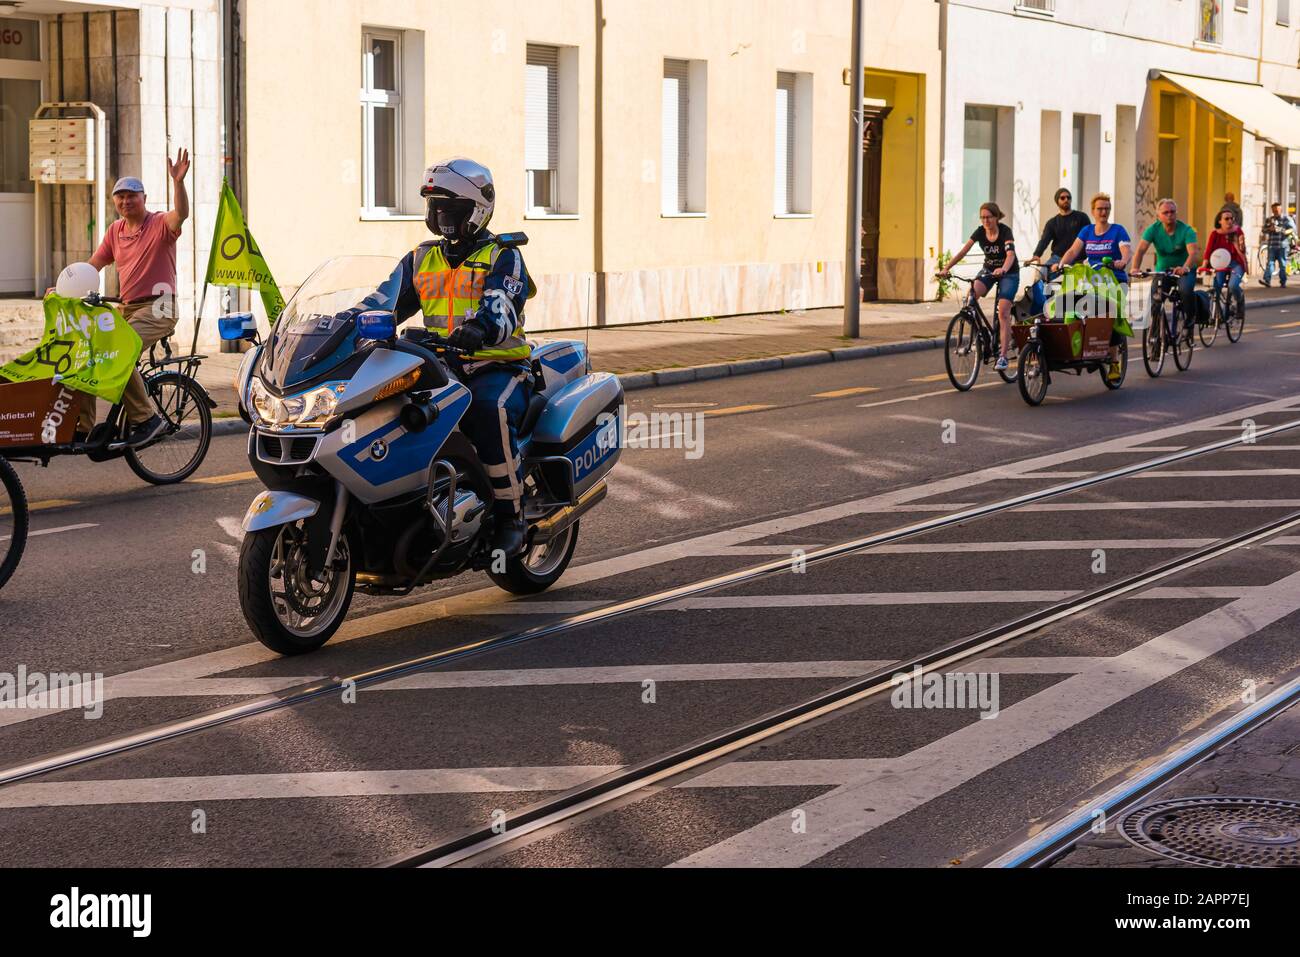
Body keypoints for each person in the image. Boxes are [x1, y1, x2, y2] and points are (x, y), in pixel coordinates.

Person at [358, 157, 536, 558]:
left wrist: (481, 327)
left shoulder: (502, 255)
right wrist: (347, 322)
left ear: (476, 209)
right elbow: (384, 300)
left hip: (496, 365)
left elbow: (503, 303)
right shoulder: (422, 258)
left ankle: (511, 517)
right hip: (438, 366)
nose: (441, 216)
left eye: (450, 207)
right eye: (436, 206)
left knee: (489, 411)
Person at [76, 149, 191, 446]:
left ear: (144, 199)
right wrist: (64, 287)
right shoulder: (115, 230)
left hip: (160, 306)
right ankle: (83, 425)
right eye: (120, 197)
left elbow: (182, 214)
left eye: (132, 196)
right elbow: (94, 265)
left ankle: (147, 418)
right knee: (88, 350)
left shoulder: (160, 225)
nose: (126, 201)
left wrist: (178, 182)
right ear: (115, 202)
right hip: (128, 307)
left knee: (120, 349)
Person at [1058, 192, 1132, 377]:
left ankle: (1114, 363)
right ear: (1093, 211)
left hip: (1115, 280)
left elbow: (1126, 250)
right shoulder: (1087, 231)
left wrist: (1122, 261)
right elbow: (1074, 250)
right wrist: (1061, 264)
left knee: (1111, 317)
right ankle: (1080, 350)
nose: (1103, 212)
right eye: (1100, 209)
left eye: (1106, 208)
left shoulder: (1118, 230)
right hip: (1091, 281)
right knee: (1072, 306)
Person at [939, 202, 1019, 371]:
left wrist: (1003, 269)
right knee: (971, 296)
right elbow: (963, 251)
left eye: (989, 217)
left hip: (1009, 272)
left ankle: (1003, 356)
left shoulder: (1005, 231)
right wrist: (946, 268)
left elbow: (1010, 255)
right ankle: (979, 334)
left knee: (1003, 310)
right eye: (982, 217)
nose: (985, 221)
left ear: (996, 217)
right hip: (989, 270)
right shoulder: (980, 232)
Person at [1133, 198, 1200, 335]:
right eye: (1165, 212)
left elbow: (1193, 253)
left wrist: (1185, 268)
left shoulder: (1186, 230)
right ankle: (1156, 332)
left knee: (1186, 290)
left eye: (1172, 212)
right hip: (1163, 271)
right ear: (1158, 216)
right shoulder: (1153, 230)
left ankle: (1189, 321)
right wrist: (1135, 268)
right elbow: (1140, 250)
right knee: (1154, 298)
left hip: (1184, 270)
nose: (1169, 215)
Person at [1026, 187, 1090, 315]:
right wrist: (1036, 255)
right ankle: (1040, 311)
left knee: (1076, 285)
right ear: (1057, 201)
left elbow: (1090, 237)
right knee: (1040, 275)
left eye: (1069, 197)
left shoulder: (1081, 217)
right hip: (1057, 258)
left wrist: (1089, 257)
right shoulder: (1052, 223)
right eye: (1063, 198)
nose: (1066, 200)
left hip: (1079, 259)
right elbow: (1044, 240)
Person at [1204, 207, 1249, 313]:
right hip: (1220, 264)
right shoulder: (1215, 234)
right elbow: (1208, 250)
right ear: (1220, 221)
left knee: (1232, 285)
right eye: (1226, 219)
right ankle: (1217, 313)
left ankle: (1240, 301)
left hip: (1236, 263)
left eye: (1231, 218)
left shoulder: (1238, 231)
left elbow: (1242, 251)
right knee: (1217, 286)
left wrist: (1237, 243)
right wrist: (1204, 264)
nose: (1230, 221)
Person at [1261, 201, 1295, 288]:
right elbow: (1263, 230)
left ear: (1281, 209)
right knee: (1270, 263)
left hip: (1282, 246)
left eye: (1277, 210)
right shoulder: (1269, 219)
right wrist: (1270, 229)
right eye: (1274, 210)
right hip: (1272, 245)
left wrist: (1283, 231)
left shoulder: (1286, 218)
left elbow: (1292, 229)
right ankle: (1267, 280)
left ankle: (1283, 282)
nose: (1275, 212)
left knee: (1282, 264)